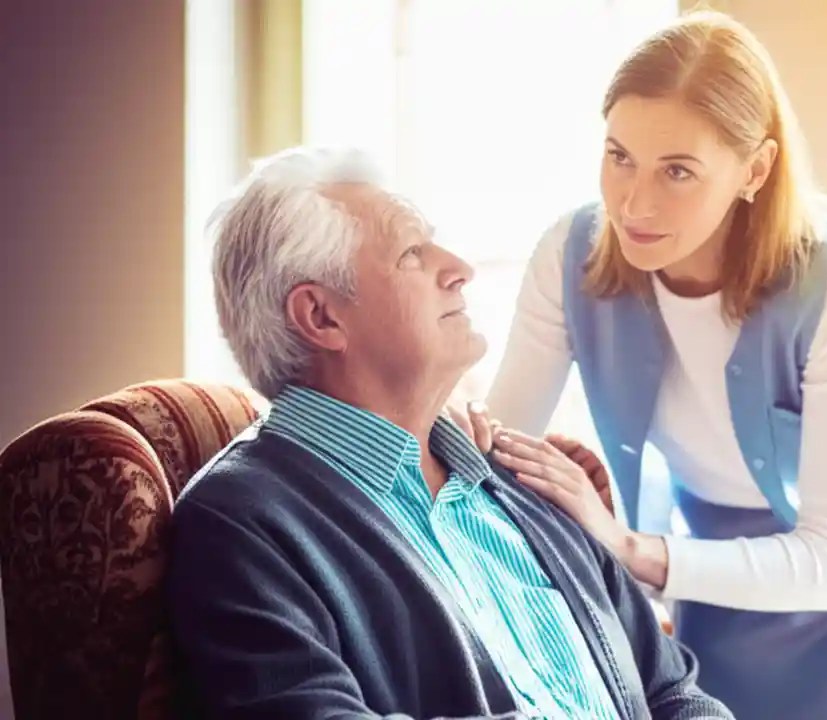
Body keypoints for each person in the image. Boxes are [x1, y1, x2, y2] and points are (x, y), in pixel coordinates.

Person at [469, 10, 827, 720]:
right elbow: (490, 456)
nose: (634, 201)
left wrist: (633, 549)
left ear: (754, 169)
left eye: (678, 171)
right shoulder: (569, 257)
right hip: (719, 590)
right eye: (619, 155)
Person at [165, 146, 733, 720]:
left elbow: (672, 689)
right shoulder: (240, 522)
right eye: (412, 252)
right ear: (321, 317)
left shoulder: (522, 476)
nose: (459, 267)